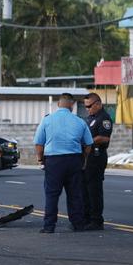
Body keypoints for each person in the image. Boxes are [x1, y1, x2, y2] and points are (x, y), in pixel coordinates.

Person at [33, 93, 93, 233]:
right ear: (71, 105)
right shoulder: (79, 121)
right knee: (75, 194)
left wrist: (41, 159)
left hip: (54, 161)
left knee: (52, 195)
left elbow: (38, 143)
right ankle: (78, 225)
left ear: (58, 104)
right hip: (74, 159)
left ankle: (49, 227)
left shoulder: (47, 120)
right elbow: (89, 144)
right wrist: (84, 159)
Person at [82, 93, 112, 231]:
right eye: (86, 106)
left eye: (89, 106)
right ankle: (86, 218)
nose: (87, 109)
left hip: (96, 156)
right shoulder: (91, 118)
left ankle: (96, 220)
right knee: (85, 190)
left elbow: (104, 138)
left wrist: (88, 142)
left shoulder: (103, 118)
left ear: (98, 104)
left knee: (94, 190)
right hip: (87, 157)